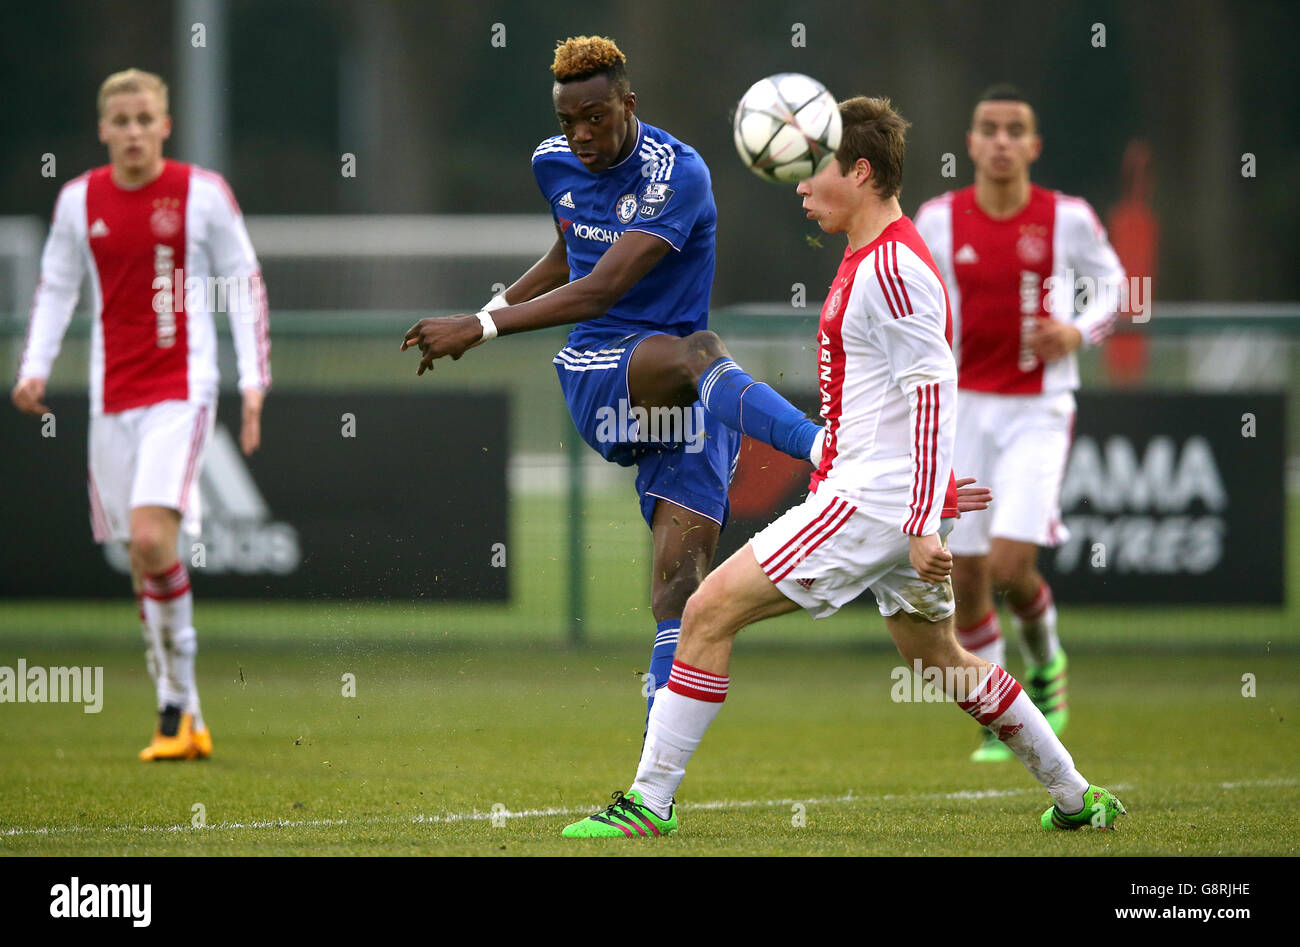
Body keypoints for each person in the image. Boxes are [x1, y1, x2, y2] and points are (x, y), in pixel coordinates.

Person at [560, 96, 1123, 838]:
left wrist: (920, 518)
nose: (799, 185)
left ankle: (647, 802)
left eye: (811, 168)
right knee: (941, 657)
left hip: (871, 503)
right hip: (889, 496)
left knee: (706, 611)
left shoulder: (891, 267)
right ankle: (1078, 796)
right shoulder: (877, 254)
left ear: (859, 172)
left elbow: (933, 389)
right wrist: (926, 494)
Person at [402, 36, 827, 728]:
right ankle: (821, 447)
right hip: (601, 370)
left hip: (682, 392)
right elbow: (570, 257)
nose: (580, 135)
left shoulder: (676, 175)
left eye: (595, 117)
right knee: (701, 351)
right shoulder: (552, 162)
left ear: (629, 104)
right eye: (568, 121)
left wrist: (477, 327)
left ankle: (653, 774)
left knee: (681, 595)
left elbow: (601, 283)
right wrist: (485, 317)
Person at [11, 68, 271, 761]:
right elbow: (56, 287)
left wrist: (254, 379)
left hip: (182, 391)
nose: (133, 132)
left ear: (165, 125)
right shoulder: (78, 200)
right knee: (139, 556)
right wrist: (34, 366)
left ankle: (174, 707)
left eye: (144, 119)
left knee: (154, 540)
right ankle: (184, 715)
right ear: (103, 129)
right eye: (121, 121)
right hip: (112, 399)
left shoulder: (202, 193)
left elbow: (243, 283)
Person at [914, 85, 1126, 761]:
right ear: (971, 144)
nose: (1001, 141)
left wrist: (1078, 330)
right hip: (963, 410)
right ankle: (999, 711)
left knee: (1011, 565)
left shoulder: (1068, 217)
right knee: (967, 573)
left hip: (1039, 408)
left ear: (1033, 146)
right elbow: (911, 299)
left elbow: (1115, 286)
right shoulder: (938, 219)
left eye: (1014, 130)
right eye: (989, 129)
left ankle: (1046, 665)